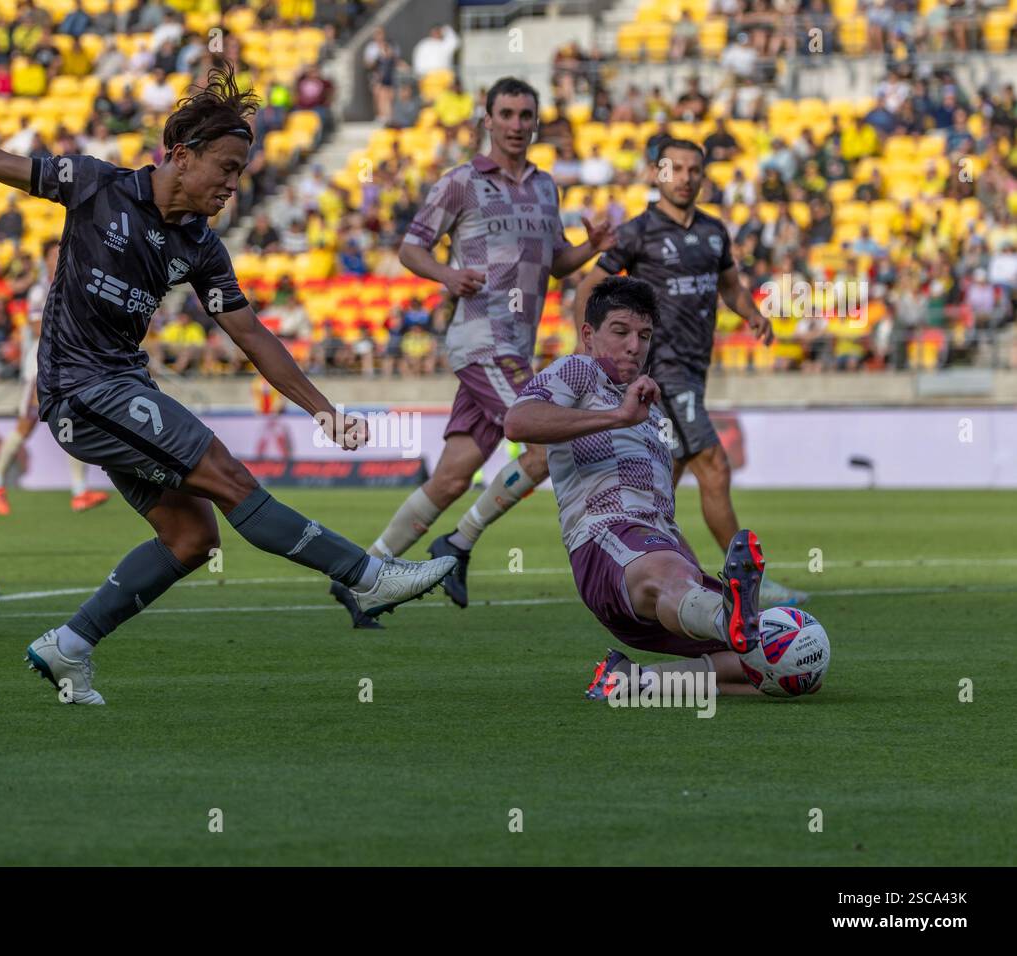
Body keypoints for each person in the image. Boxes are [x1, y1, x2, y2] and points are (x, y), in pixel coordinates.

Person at [0, 64, 457, 704]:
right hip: (79, 389)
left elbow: (251, 336)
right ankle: (365, 575)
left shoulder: (202, 247)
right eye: (225, 168)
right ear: (182, 155)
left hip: (118, 389)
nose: (232, 186)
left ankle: (69, 645)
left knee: (193, 540)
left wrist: (323, 410)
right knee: (230, 477)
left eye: (240, 174)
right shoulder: (94, 185)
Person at [333, 77, 615, 627]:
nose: (515, 124)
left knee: (453, 476)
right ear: (487, 119)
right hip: (484, 340)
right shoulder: (459, 182)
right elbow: (410, 247)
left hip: (513, 347)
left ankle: (364, 575)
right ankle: (458, 544)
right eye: (506, 113)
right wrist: (446, 274)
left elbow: (555, 262)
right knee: (545, 445)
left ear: (535, 121)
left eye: (525, 114)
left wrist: (591, 249)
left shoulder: (545, 187)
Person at [503, 275, 769, 700]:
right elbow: (517, 422)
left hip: (657, 551)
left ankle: (633, 681)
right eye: (621, 331)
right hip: (605, 538)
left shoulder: (649, 408)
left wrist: (693, 571)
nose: (634, 345)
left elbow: (662, 512)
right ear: (588, 335)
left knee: (776, 660)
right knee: (696, 594)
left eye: (644, 335)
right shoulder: (580, 370)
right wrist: (616, 418)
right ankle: (724, 618)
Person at [573, 139, 808, 607]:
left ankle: (646, 569)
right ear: (658, 174)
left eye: (693, 169)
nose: (685, 177)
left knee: (666, 475)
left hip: (695, 368)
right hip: (663, 371)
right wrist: (591, 346)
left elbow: (730, 287)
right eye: (675, 168)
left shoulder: (714, 232)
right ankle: (750, 586)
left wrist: (751, 314)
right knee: (714, 467)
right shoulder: (637, 233)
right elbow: (590, 286)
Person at [0, 239, 111, 514]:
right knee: (26, 425)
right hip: (41, 366)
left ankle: (79, 492)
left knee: (72, 421)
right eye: (54, 256)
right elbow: (35, 325)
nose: (59, 259)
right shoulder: (40, 290)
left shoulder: (77, 286)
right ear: (44, 261)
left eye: (62, 254)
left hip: (66, 365)